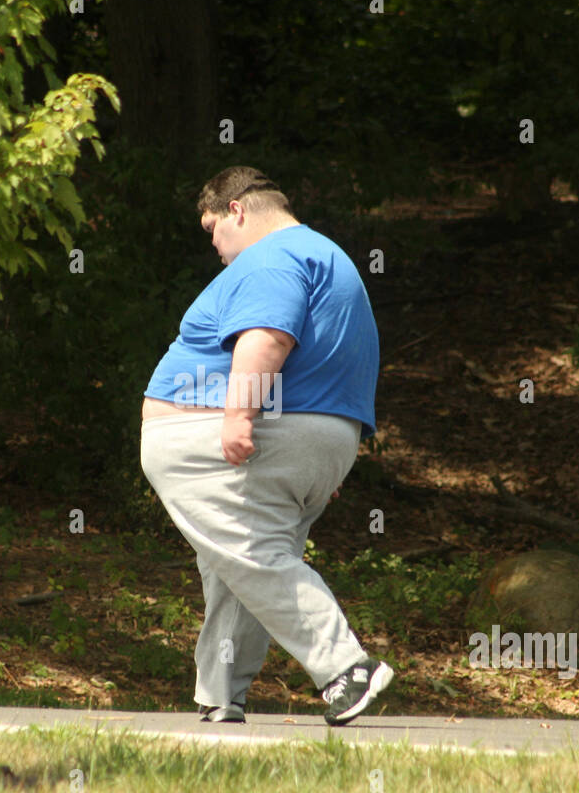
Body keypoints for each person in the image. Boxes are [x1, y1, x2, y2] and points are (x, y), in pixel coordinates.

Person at [140, 166, 392, 726]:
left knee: (252, 556)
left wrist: (237, 416)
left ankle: (345, 667)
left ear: (237, 211)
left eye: (213, 231)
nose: (217, 249)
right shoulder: (330, 258)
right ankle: (221, 695)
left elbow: (267, 337)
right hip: (320, 434)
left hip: (247, 432)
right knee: (239, 560)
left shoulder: (272, 255)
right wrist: (325, 455)